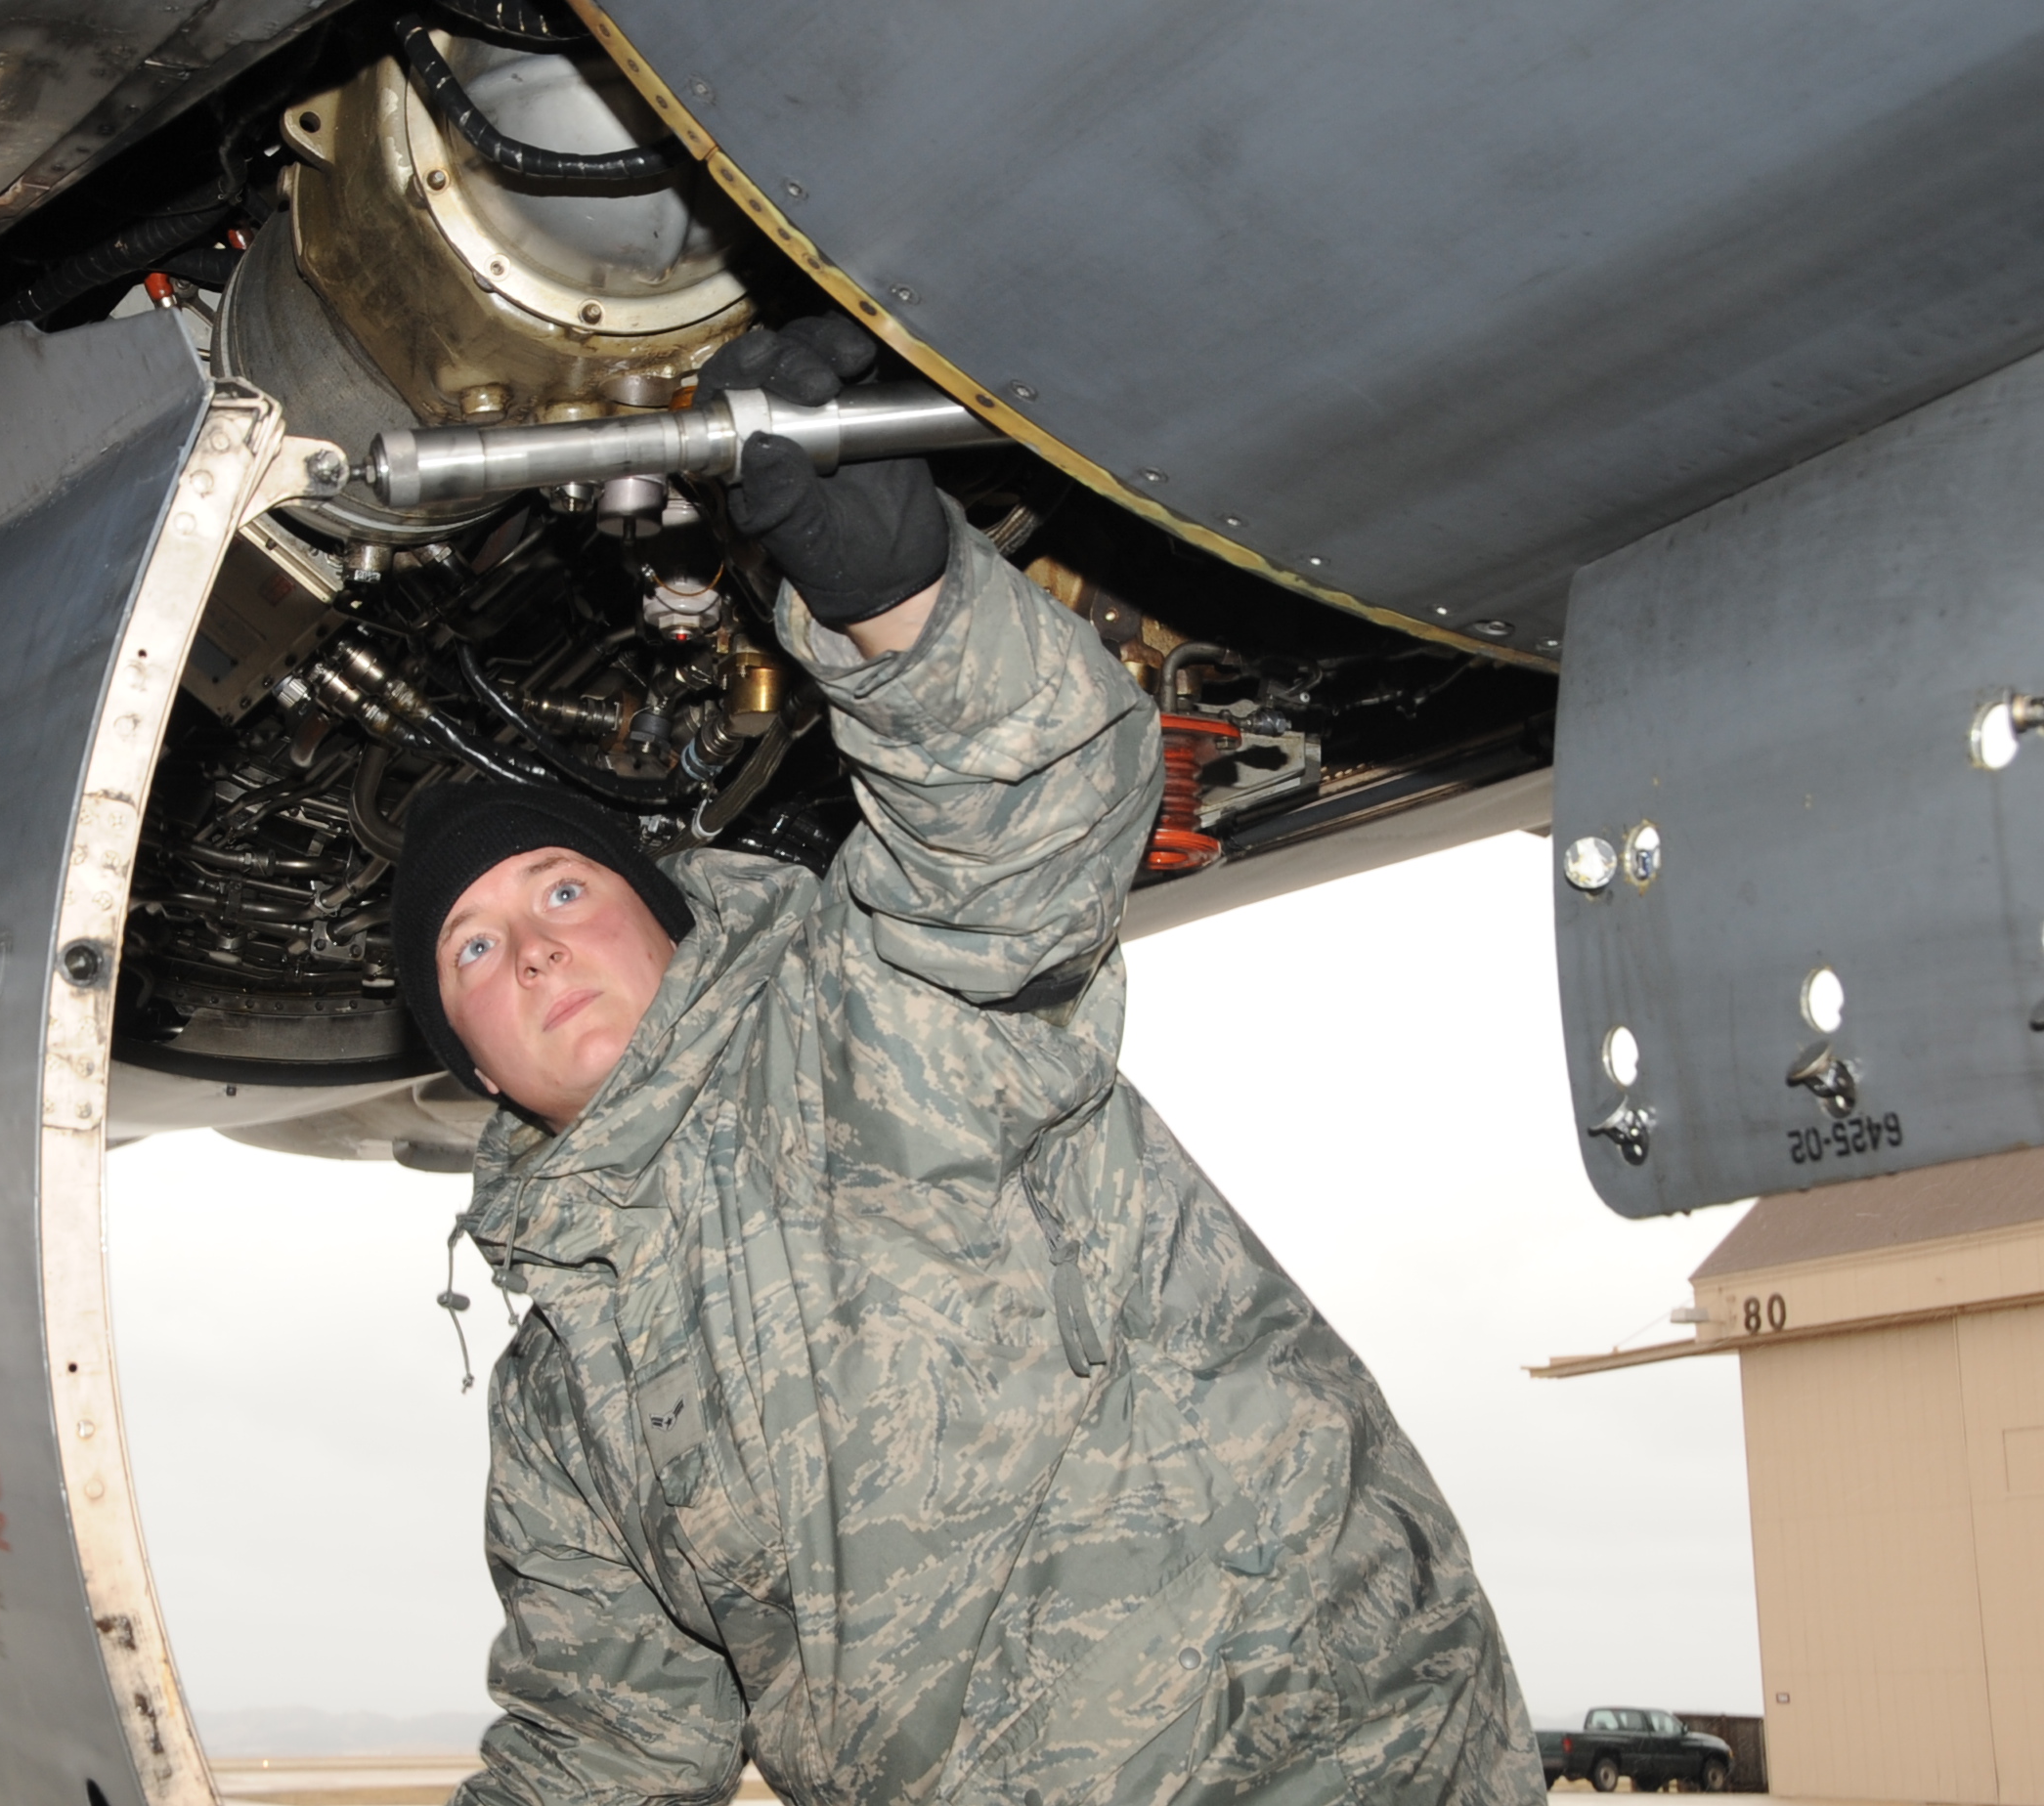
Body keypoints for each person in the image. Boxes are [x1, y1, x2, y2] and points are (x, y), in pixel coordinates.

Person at [391, 319, 1538, 1806]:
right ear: (471, 1067)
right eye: (472, 951)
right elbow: (605, 1742)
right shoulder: (562, 1406)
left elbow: (1023, 835)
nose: (531, 949)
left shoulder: (865, 1012)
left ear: (665, 920)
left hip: (1316, 1756)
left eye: (560, 891)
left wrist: (902, 605)